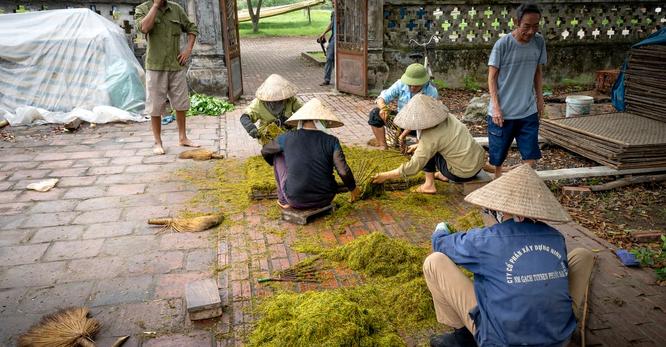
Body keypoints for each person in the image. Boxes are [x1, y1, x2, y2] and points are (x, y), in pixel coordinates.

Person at [423, 164, 595, 347]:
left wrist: (440, 228)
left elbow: (440, 244)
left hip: (502, 341)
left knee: (434, 261)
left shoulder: (485, 239)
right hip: (559, 339)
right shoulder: (555, 236)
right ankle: (559, 322)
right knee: (583, 255)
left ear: (498, 211)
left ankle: (463, 338)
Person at [372, 94, 485, 194]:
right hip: (478, 163)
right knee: (430, 148)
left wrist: (384, 176)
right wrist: (418, 146)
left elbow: (414, 167)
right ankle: (443, 175)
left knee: (428, 153)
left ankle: (429, 185)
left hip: (462, 173)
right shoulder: (448, 117)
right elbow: (446, 140)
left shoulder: (429, 138)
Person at [261, 98, 361, 209]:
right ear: (320, 121)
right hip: (326, 198)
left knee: (277, 155)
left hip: (295, 199)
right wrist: (353, 188)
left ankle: (283, 201)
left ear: (301, 121)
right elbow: (343, 171)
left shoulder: (286, 138)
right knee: (280, 153)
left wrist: (283, 164)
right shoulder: (332, 141)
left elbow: (265, 151)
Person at [487, 2, 546, 178]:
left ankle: (524, 185)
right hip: (502, 113)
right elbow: (491, 77)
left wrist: (540, 98)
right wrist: (496, 107)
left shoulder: (538, 42)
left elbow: (537, 71)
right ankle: (497, 188)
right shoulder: (503, 44)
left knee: (530, 154)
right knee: (497, 158)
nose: (531, 31)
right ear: (516, 22)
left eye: (535, 26)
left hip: (527, 110)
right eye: (526, 26)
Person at [135, 0, 199, 155]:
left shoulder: (176, 9)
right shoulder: (143, 9)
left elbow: (192, 29)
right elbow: (144, 28)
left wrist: (188, 50)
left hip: (175, 65)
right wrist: (155, 6)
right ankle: (158, 142)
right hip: (155, 66)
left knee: (181, 103)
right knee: (155, 106)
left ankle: (183, 137)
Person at [368, 63, 438, 150]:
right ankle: (383, 146)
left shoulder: (431, 91)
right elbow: (381, 98)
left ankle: (418, 148)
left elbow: (422, 119)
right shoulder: (401, 83)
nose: (412, 88)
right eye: (410, 84)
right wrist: (383, 108)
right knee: (375, 113)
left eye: (416, 85)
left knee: (424, 137)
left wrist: (402, 136)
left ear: (423, 82)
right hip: (401, 119)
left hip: (420, 124)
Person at [239, 74, 302, 140]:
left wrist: (288, 122)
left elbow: (304, 111)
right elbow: (245, 116)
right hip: (267, 136)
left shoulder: (290, 100)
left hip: (288, 133)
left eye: (279, 98)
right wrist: (250, 127)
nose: (276, 100)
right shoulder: (258, 103)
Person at [319, 0, 335, 86]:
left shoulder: (344, 13)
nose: (333, 4)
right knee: (329, 58)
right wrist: (324, 33)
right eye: (332, 2)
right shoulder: (333, 13)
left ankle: (343, 82)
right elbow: (331, 24)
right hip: (333, 38)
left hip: (343, 39)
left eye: (334, 2)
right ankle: (327, 79)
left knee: (339, 60)